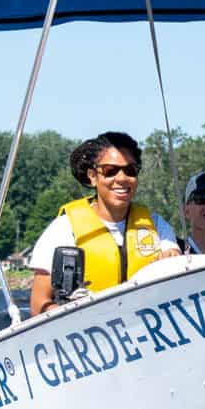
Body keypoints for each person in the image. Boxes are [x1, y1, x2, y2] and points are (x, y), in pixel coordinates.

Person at [28, 131, 180, 315]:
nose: (122, 178)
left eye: (130, 170)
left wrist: (172, 257)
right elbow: (39, 305)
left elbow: (176, 269)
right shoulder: (64, 229)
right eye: (110, 171)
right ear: (93, 176)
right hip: (88, 326)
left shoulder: (157, 226)